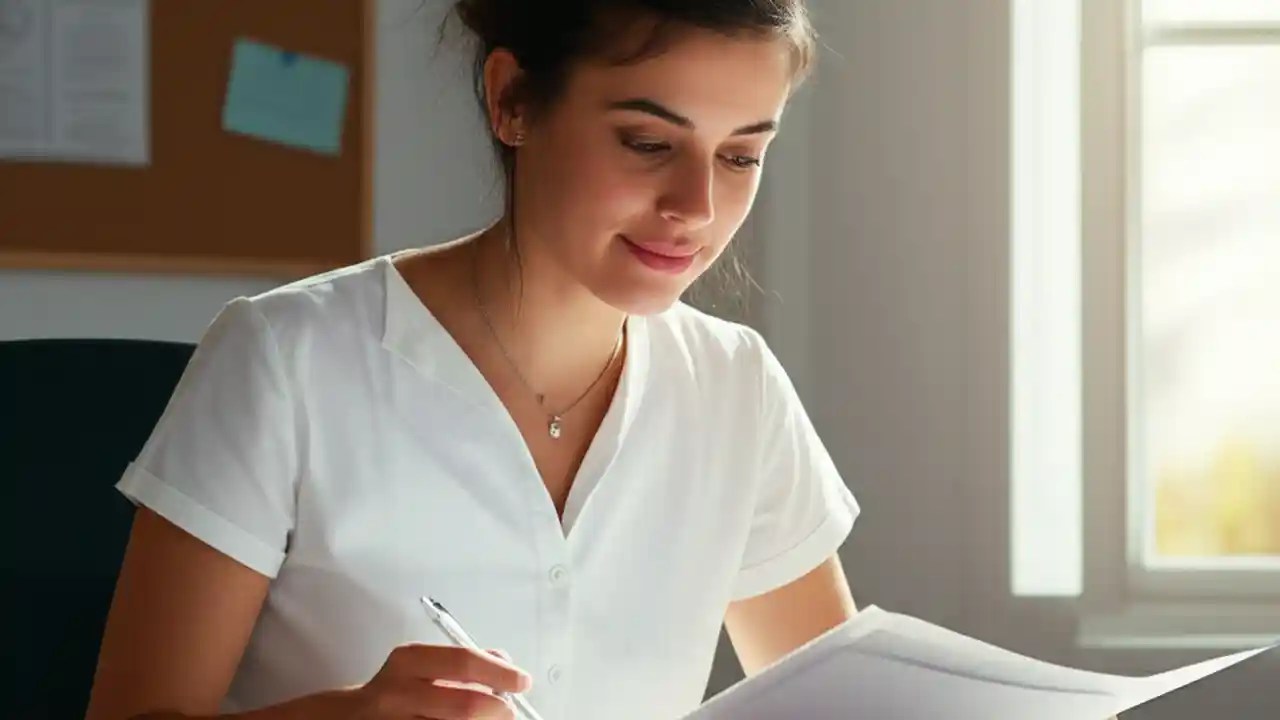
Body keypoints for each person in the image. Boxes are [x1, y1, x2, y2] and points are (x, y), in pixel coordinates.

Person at [85, 2, 861, 718]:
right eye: (648, 143)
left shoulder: (737, 388)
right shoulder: (287, 358)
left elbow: (844, 706)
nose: (696, 206)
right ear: (512, 100)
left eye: (740, 157)